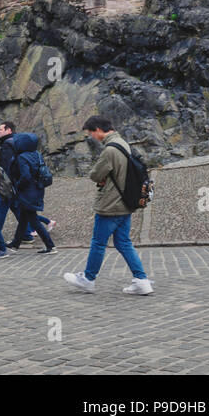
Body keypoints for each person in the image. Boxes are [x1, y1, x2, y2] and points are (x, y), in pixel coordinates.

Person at [64, 116, 153, 295]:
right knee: (124, 243)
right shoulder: (123, 143)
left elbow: (95, 175)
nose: (91, 137)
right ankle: (142, 281)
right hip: (126, 203)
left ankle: (88, 279)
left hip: (111, 204)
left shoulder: (110, 150)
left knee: (98, 242)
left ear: (98, 129)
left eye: (91, 133)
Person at [0, 122, 55, 241]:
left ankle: (48, 244)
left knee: (24, 213)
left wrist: (15, 184)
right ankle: (26, 236)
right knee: (23, 212)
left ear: (9, 130)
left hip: (16, 186)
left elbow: (19, 172)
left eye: (1, 129)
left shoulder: (11, 146)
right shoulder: (35, 154)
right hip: (32, 188)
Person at [7, 139, 56, 253]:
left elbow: (25, 176)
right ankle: (15, 244)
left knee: (33, 220)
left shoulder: (22, 157)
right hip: (37, 189)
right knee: (24, 219)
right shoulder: (36, 154)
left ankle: (50, 246)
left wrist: (17, 185)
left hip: (27, 192)